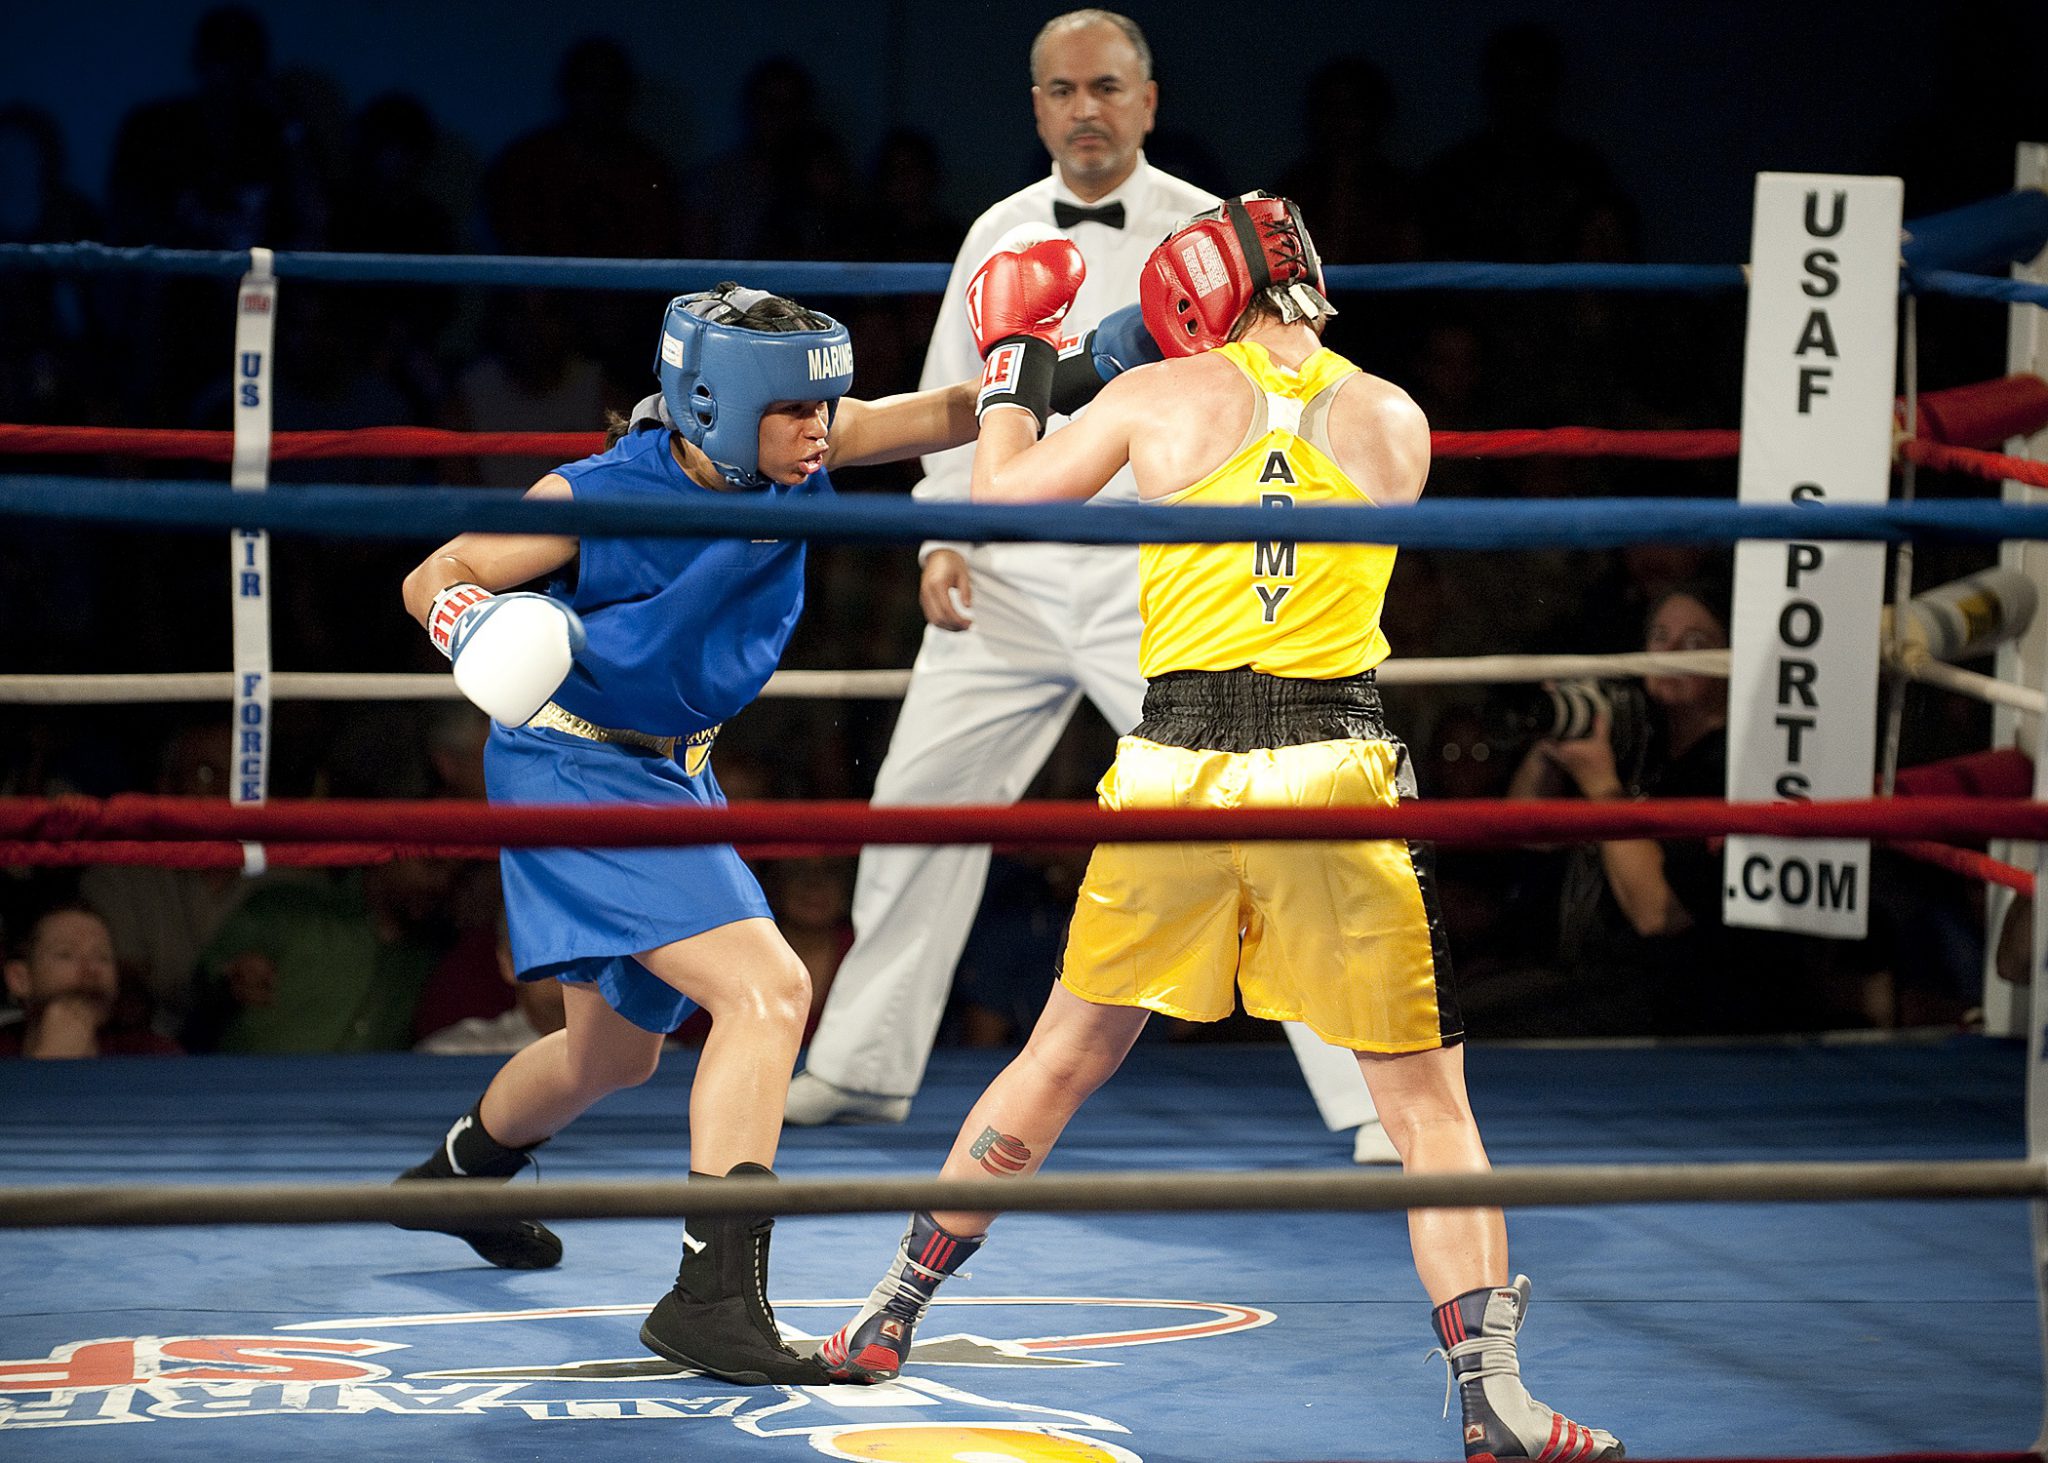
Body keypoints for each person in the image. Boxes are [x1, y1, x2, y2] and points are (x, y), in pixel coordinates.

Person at [818, 197, 1622, 1461]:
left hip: (1175, 773)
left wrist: (1016, 364)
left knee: (1059, 1057)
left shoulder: (1157, 398)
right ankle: (1493, 1400)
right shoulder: (1396, 417)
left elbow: (1000, 497)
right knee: (1428, 1114)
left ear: (1191, 296)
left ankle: (887, 1313)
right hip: (1332, 773)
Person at [785, 7, 1396, 1166]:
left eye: (1105, 88)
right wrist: (939, 538)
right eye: (1062, 91)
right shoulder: (998, 229)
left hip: (1156, 573)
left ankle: (1375, 1096)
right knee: (918, 801)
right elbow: (952, 394)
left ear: (1147, 101)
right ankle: (858, 1064)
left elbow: (1278, 397)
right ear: (1035, 108)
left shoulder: (1213, 236)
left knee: (1265, 806)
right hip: (1007, 570)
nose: (1084, 111)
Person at [392, 282, 978, 1387]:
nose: (821, 429)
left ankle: (457, 1178)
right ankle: (711, 1298)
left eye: (825, 407)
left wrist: (1096, 358)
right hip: (575, 766)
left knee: (613, 1054)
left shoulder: (803, 448)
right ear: (718, 407)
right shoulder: (596, 496)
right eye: (795, 410)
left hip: (669, 766)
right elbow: (434, 574)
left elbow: (946, 412)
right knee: (767, 992)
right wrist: (475, 624)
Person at [2, 904, 181, 1059]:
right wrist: (51, 1062)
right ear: (20, 979)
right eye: (66, 955)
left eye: (103, 957)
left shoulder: (153, 1056)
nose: (92, 969)